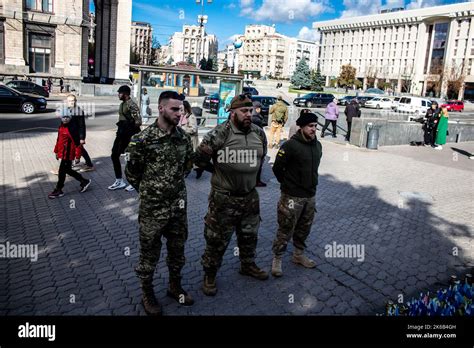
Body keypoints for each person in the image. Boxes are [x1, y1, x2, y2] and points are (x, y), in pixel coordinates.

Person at [125, 91, 194, 316]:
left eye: (181, 109)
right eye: (175, 109)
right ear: (161, 108)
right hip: (152, 210)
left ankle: (175, 287)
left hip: (178, 208)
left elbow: (186, 168)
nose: (179, 113)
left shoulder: (183, 138)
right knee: (149, 255)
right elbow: (133, 174)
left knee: (177, 251)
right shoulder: (142, 140)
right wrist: (151, 193)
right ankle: (147, 293)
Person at [195, 94, 269, 297]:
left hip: (250, 197)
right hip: (224, 199)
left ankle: (248, 265)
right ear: (232, 112)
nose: (248, 114)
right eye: (244, 111)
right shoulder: (219, 134)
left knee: (249, 236)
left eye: (250, 110)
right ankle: (209, 275)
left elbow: (261, 158)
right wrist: (220, 170)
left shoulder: (258, 133)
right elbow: (199, 160)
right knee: (216, 240)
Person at [271, 111, 322, 277]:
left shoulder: (317, 145)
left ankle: (298, 255)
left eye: (315, 126)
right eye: (310, 126)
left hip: (310, 195)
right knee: (285, 228)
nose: (313, 129)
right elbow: (277, 168)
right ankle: (277, 258)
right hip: (292, 197)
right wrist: (287, 185)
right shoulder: (290, 146)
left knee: (304, 228)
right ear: (301, 127)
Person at [48, 109, 92, 199]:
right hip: (63, 153)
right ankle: (84, 181)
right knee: (68, 170)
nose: (65, 119)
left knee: (61, 172)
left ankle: (59, 190)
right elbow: (58, 140)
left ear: (70, 117)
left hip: (68, 154)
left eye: (67, 117)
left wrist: (78, 156)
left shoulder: (72, 128)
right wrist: (56, 151)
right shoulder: (61, 127)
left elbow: (77, 144)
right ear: (61, 117)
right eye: (63, 117)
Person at [108, 85, 141, 191]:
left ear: (125, 94)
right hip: (121, 134)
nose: (118, 94)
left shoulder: (132, 105)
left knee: (130, 158)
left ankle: (134, 181)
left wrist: (129, 130)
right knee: (114, 155)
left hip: (129, 135)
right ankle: (119, 180)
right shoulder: (122, 104)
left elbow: (138, 121)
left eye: (120, 93)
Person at [64, 94, 95, 172]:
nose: (71, 102)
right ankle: (87, 164)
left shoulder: (79, 111)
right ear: (67, 102)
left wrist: (82, 138)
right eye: (69, 101)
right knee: (72, 149)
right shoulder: (67, 109)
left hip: (76, 135)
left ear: (76, 101)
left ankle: (89, 165)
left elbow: (82, 126)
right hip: (69, 134)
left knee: (80, 150)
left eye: (73, 100)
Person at [251, 101, 267, 187]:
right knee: (257, 165)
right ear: (257, 109)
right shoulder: (256, 119)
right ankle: (256, 181)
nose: (260, 110)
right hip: (257, 145)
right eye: (259, 108)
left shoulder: (252, 117)